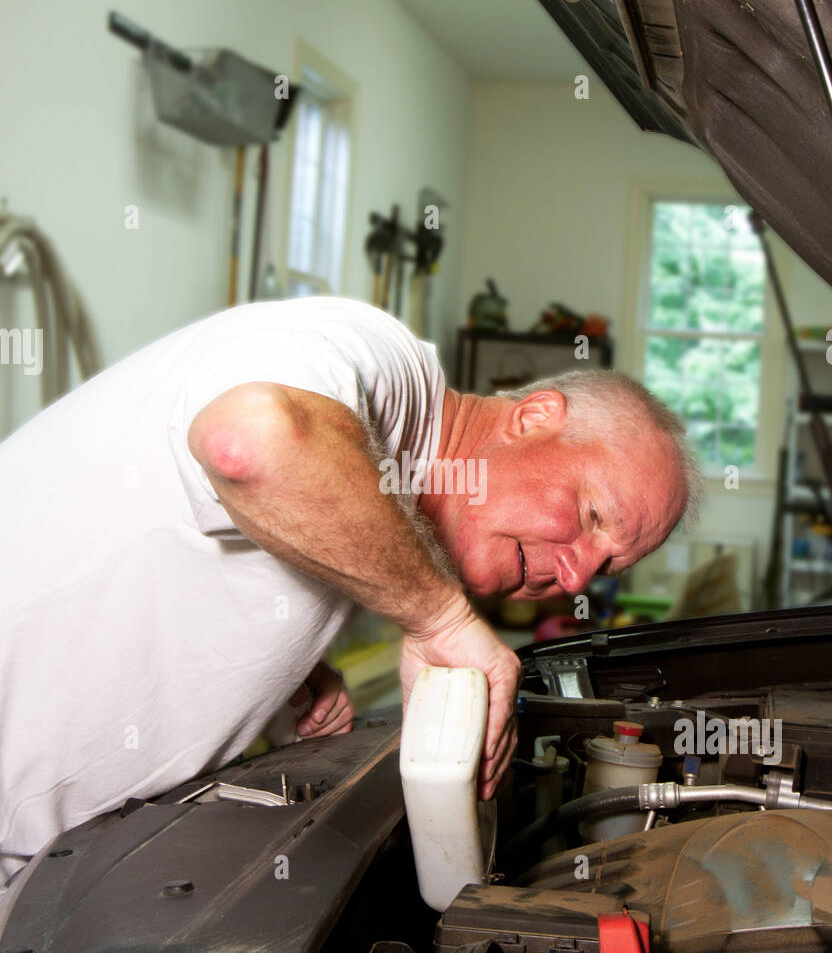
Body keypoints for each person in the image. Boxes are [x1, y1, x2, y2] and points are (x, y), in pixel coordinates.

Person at [0, 297, 696, 887]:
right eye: (592, 517)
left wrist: (285, 666)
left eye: (603, 568)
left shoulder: (389, 484)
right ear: (533, 416)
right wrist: (440, 618)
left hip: (47, 865)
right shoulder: (376, 363)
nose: (574, 578)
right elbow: (251, 443)